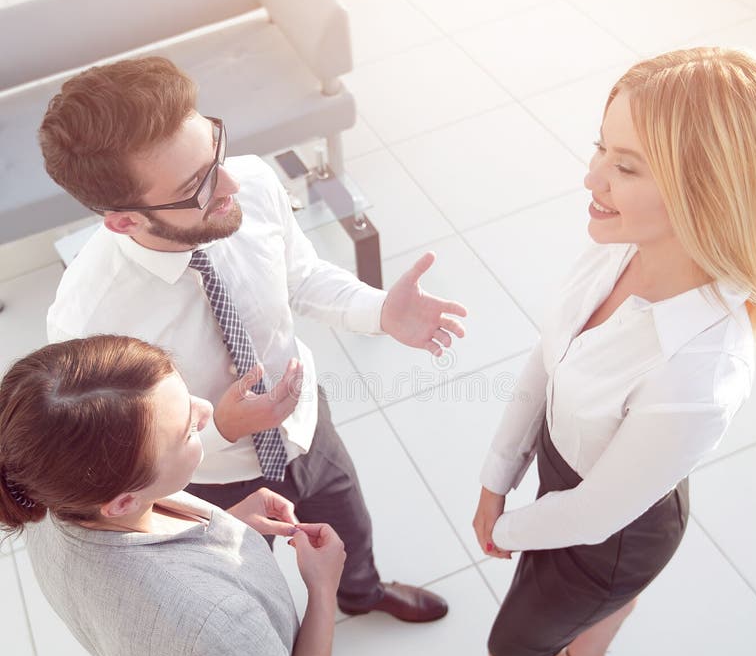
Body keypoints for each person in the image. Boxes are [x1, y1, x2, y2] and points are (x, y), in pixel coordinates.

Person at [431, 46, 756, 656]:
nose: (591, 179)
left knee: (509, 652)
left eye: (627, 166)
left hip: (611, 528)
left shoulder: (698, 369)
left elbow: (591, 518)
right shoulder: (613, 247)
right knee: (589, 611)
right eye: (599, 150)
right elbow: (549, 359)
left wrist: (505, 529)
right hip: (601, 490)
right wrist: (498, 476)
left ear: (704, 192)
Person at [41, 56, 467, 624]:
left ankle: (360, 593)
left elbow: (300, 277)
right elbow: (126, 454)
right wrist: (223, 428)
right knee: (247, 588)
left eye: (215, 149)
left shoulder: (256, 184)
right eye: (197, 185)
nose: (232, 183)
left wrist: (379, 310)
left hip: (305, 425)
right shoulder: (87, 321)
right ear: (123, 221)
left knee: (348, 523)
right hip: (209, 480)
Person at [0, 334, 390, 656]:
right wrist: (322, 591)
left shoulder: (48, 511)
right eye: (187, 431)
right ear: (122, 500)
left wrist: (227, 527)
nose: (208, 412)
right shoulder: (215, 626)